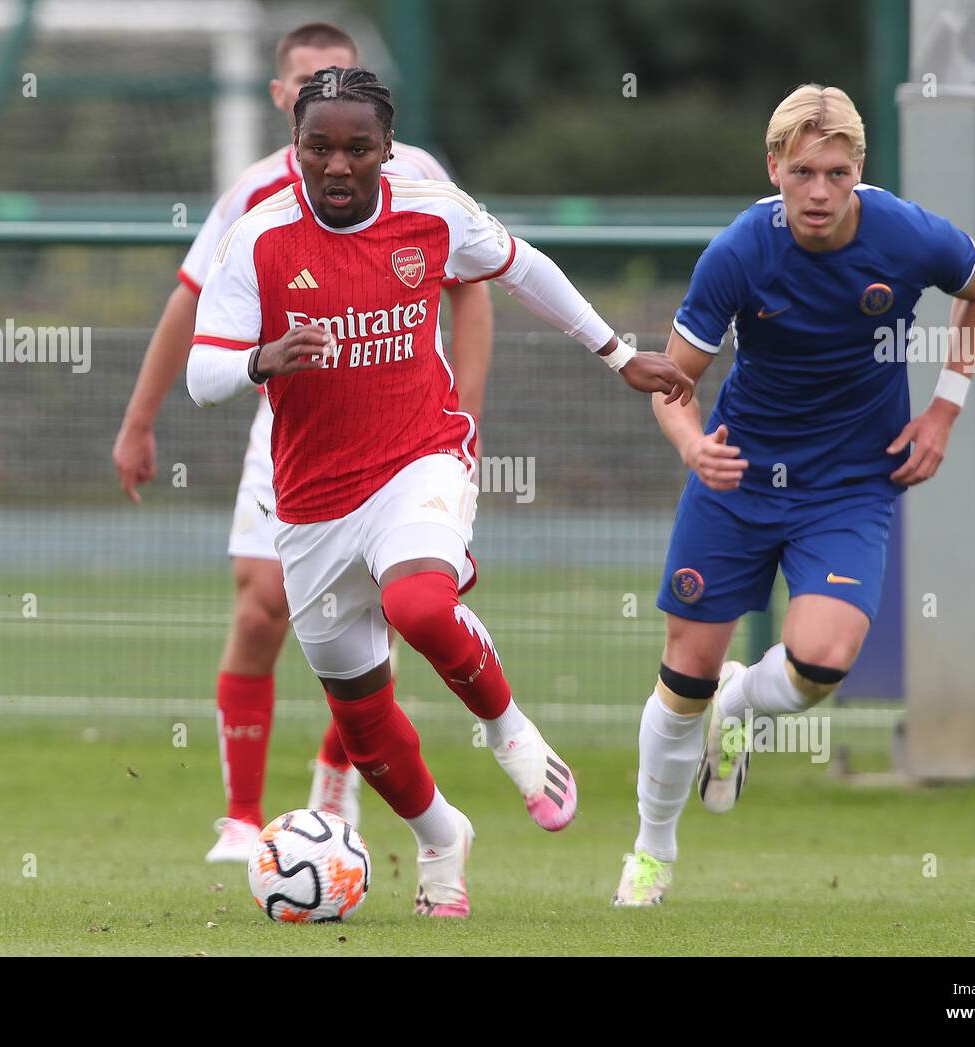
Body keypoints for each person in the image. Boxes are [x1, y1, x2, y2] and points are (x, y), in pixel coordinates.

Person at [188, 66, 693, 916]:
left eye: (358, 148)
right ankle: (440, 841)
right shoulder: (261, 238)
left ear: (387, 149)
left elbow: (522, 268)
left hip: (418, 458)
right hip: (310, 505)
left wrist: (617, 352)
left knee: (421, 605)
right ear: (296, 149)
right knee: (360, 717)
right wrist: (258, 360)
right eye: (320, 147)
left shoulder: (432, 209)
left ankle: (510, 731)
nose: (338, 165)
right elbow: (203, 374)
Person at [111, 23, 494, 862]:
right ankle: (242, 817)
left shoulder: (417, 177)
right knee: (262, 604)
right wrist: (140, 419)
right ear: (283, 100)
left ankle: (338, 771)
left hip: (399, 427)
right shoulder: (252, 196)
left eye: (341, 77)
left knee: (389, 596)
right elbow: (191, 305)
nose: (325, 92)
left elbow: (479, 286)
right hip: (292, 425)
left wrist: (462, 410)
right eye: (306, 82)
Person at [613, 84, 975, 906]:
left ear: (860, 170)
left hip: (851, 482)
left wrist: (943, 408)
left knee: (823, 661)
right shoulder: (738, 253)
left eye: (835, 172)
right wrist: (694, 450)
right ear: (774, 170)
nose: (819, 191)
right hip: (739, 476)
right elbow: (670, 383)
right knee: (684, 676)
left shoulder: (907, 236)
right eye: (801, 172)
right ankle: (650, 853)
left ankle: (743, 705)